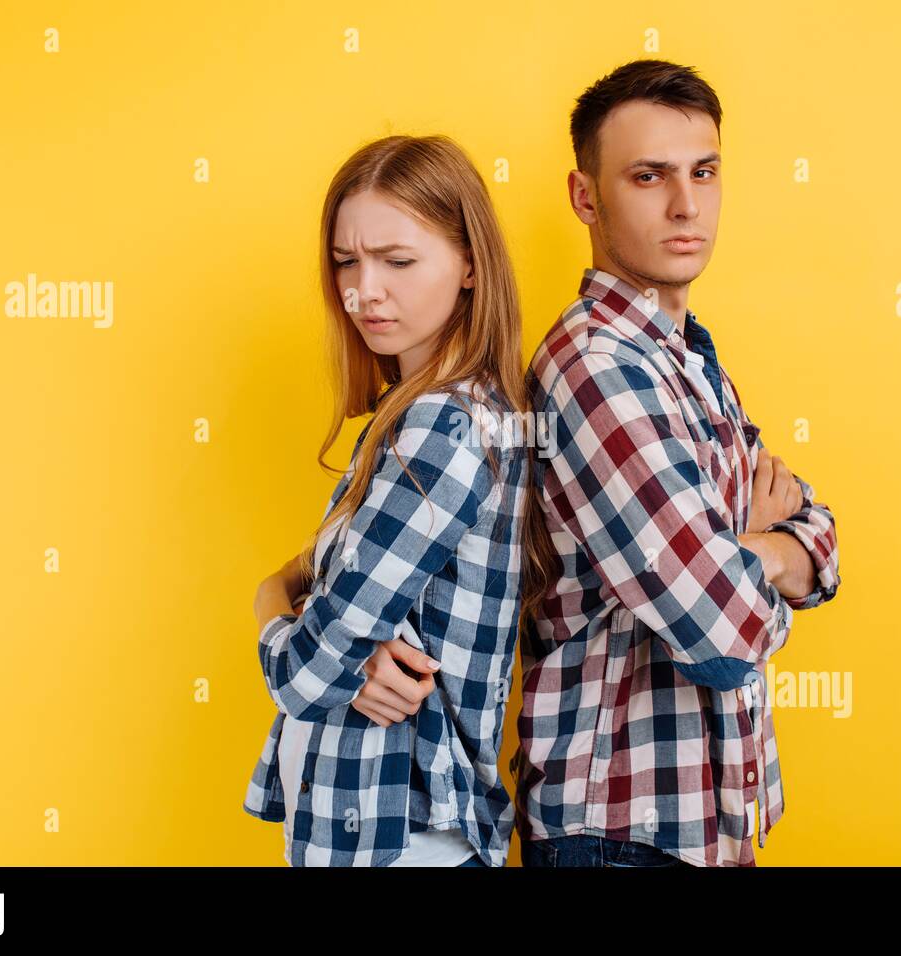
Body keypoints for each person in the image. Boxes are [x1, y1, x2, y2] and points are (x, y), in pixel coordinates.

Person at [512, 59, 842, 867]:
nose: (687, 204)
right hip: (621, 830)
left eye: (704, 172)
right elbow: (722, 634)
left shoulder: (690, 360)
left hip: (710, 819)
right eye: (649, 176)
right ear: (586, 197)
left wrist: (745, 548)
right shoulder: (595, 366)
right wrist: (763, 545)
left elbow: (822, 538)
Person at [244, 134, 532, 867]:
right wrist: (320, 621)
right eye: (347, 261)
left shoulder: (443, 426)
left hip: (399, 841)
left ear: (470, 265)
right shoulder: (416, 419)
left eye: (397, 261)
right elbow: (334, 613)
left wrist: (269, 600)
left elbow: (306, 673)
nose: (362, 290)